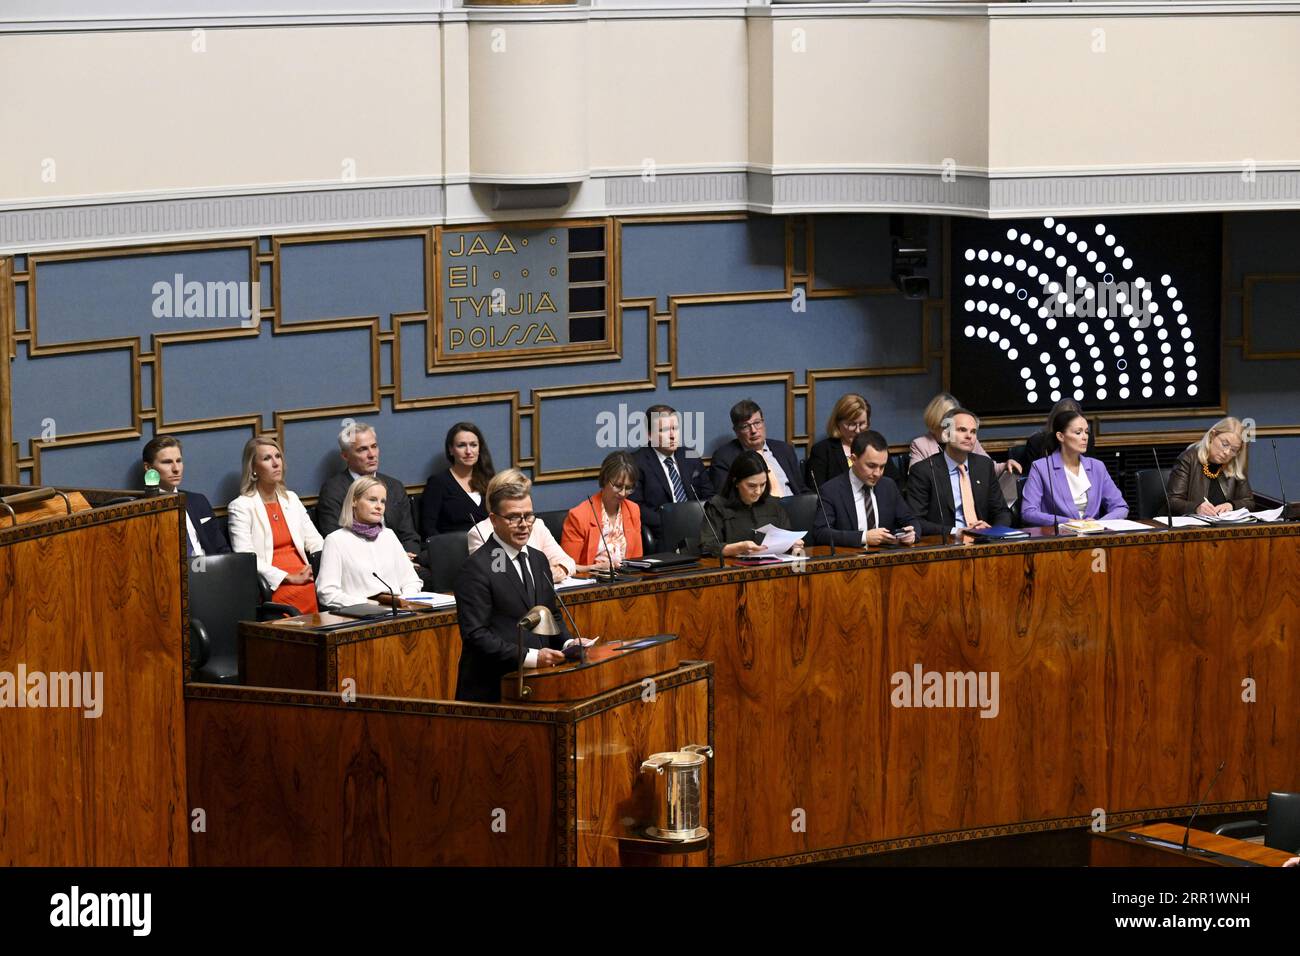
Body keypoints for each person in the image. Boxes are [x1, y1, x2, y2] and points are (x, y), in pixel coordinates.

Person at [453, 471, 591, 703]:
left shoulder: (537, 559)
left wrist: (568, 643)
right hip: (493, 690)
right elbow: (476, 636)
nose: (524, 525)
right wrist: (531, 657)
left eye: (528, 516)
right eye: (514, 517)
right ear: (494, 520)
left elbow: (550, 613)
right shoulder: (477, 567)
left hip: (538, 684)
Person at [227, 436, 324, 614]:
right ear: (253, 468)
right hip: (273, 583)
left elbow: (316, 541)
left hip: (306, 575)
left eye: (277, 456)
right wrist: (288, 578)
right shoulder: (241, 506)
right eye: (267, 458)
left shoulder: (292, 499)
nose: (275, 463)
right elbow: (247, 558)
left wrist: (317, 567)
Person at [316, 477, 424, 609]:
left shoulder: (388, 535)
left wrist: (403, 599)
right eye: (372, 500)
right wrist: (371, 605)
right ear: (354, 501)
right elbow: (327, 594)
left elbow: (412, 581)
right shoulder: (336, 540)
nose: (379, 506)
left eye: (383, 501)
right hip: (360, 616)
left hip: (398, 611)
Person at [316, 422, 422, 557]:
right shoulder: (333, 490)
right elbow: (336, 540)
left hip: (403, 561)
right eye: (362, 449)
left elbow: (409, 535)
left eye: (374, 446)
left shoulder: (394, 486)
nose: (372, 454)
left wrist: (406, 558)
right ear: (345, 456)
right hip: (360, 564)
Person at [906, 408, 1012, 536]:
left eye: (973, 432)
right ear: (946, 434)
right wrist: (956, 531)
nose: (969, 436)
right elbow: (915, 520)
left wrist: (992, 531)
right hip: (947, 543)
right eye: (962, 430)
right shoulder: (924, 470)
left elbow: (1002, 512)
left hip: (984, 539)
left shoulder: (984, 466)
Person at [1019, 410, 1128, 527]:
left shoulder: (1097, 467)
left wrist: (1099, 523)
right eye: (1078, 432)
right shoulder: (1041, 467)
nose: (1085, 437)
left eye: (1086, 432)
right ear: (1060, 436)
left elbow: (1120, 507)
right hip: (1059, 537)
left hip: (1094, 534)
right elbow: (1028, 513)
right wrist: (1068, 522)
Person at [811, 430, 916, 548]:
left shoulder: (888, 486)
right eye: (871, 466)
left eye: (882, 467)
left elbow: (911, 520)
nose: (877, 473)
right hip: (849, 559)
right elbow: (821, 533)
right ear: (853, 460)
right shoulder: (831, 490)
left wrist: (911, 534)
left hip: (885, 558)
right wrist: (864, 537)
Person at [467, 469, 575, 583]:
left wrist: (559, 570)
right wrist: (540, 576)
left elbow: (568, 563)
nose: (523, 525)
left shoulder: (536, 524)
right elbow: (497, 578)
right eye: (513, 517)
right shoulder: (480, 532)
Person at [629, 404, 713, 543]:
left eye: (675, 428)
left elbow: (709, 496)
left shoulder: (690, 455)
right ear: (650, 435)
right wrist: (674, 524)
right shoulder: (637, 462)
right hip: (663, 534)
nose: (673, 435)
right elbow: (636, 508)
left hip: (700, 530)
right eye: (664, 430)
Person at [701, 450, 805, 557]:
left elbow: (787, 535)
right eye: (751, 486)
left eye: (763, 484)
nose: (758, 491)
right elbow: (707, 547)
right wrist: (738, 548)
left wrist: (793, 544)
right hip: (733, 569)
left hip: (772, 566)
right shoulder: (718, 506)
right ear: (736, 482)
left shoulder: (773, 504)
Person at [141, 435, 231, 557]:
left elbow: (222, 549)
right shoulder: (141, 509)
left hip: (208, 570)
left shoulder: (198, 501)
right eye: (167, 462)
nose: (176, 469)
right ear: (148, 468)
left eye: (179, 461)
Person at [561, 451, 644, 572]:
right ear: (605, 479)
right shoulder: (579, 516)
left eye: (629, 488)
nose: (622, 493)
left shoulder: (633, 510)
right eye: (618, 486)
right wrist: (594, 568)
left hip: (627, 581)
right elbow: (567, 568)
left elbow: (637, 561)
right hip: (592, 582)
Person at [909, 392, 1020, 478]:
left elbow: (989, 468)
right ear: (937, 418)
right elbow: (916, 477)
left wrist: (1006, 465)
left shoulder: (968, 440)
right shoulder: (920, 445)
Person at [708, 399, 805, 497]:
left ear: (763, 423)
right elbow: (725, 499)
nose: (754, 430)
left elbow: (801, 489)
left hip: (794, 507)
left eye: (757, 423)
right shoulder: (725, 458)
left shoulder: (784, 449)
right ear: (736, 431)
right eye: (745, 426)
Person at [1166, 417, 1257, 516]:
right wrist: (1196, 508)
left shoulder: (1235, 465)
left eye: (1233, 450)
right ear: (1212, 435)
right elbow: (1173, 501)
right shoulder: (1188, 458)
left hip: (1223, 526)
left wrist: (1232, 505)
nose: (1227, 452)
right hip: (1192, 526)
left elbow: (1249, 502)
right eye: (1225, 444)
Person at [422, 422, 495, 535]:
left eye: (473, 445)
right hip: (454, 548)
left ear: (479, 448)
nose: (468, 451)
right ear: (451, 450)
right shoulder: (438, 483)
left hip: (491, 548)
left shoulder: (490, 480)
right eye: (461, 445)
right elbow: (428, 528)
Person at [807, 393, 877, 489]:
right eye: (851, 424)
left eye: (862, 424)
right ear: (838, 423)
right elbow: (817, 492)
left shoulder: (876, 445)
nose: (857, 430)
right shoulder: (822, 451)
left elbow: (893, 485)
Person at [1012, 398, 1096, 473]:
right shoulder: (1037, 441)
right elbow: (1029, 479)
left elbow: (1093, 474)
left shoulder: (1088, 439)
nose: (1083, 437)